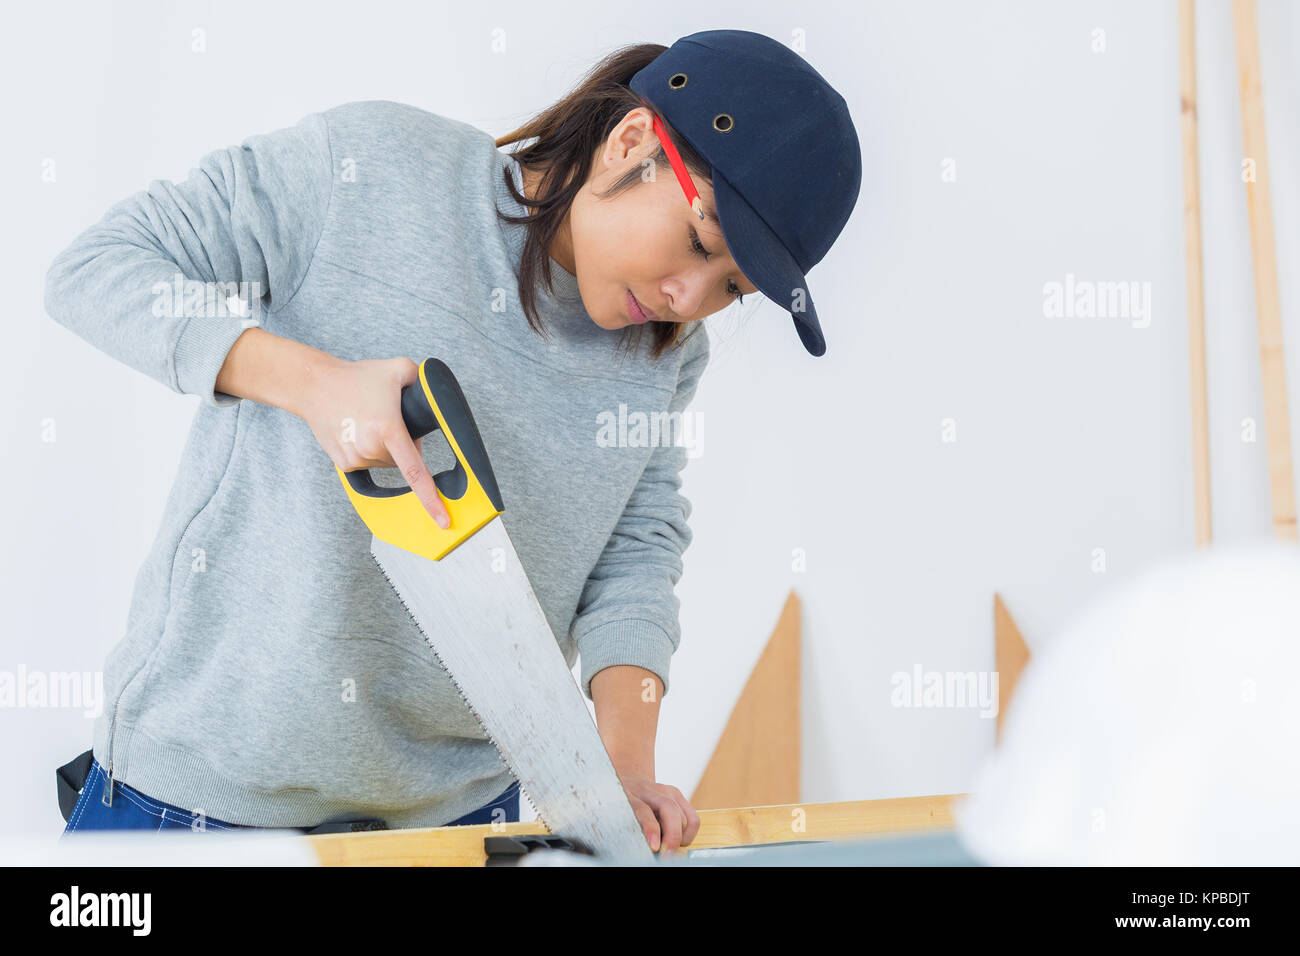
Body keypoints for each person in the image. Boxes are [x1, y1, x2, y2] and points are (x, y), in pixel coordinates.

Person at [45, 29, 862, 854]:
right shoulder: (365, 167)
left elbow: (636, 549)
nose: (689, 298)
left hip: (460, 825)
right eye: (699, 243)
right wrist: (312, 383)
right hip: (198, 805)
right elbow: (97, 269)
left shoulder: (668, 351)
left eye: (732, 289)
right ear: (633, 143)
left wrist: (623, 766)